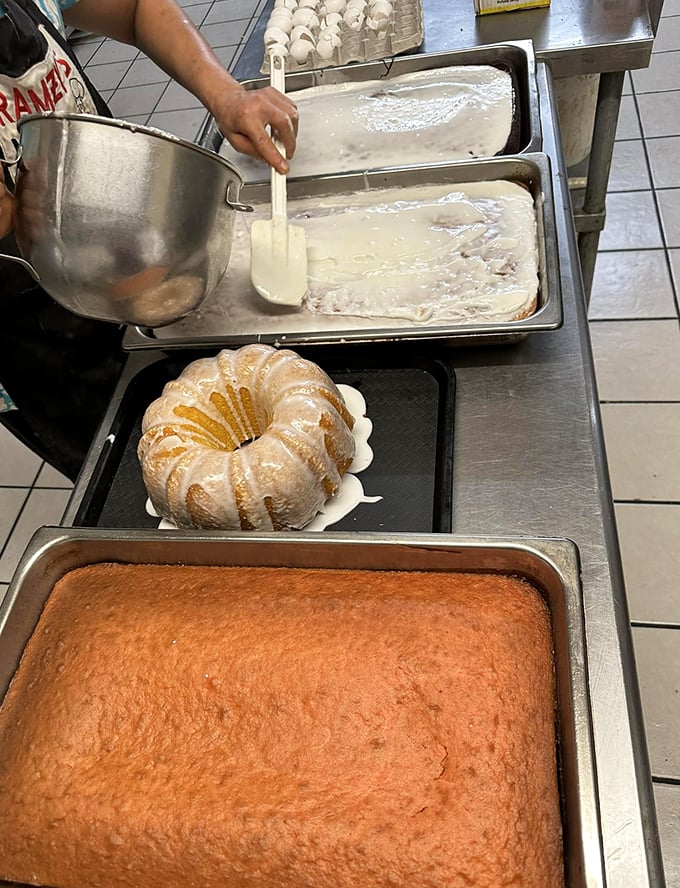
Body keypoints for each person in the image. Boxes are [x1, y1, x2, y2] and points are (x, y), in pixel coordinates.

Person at [0, 0, 298, 480]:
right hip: (40, 343)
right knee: (148, 476)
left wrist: (227, 95)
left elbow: (138, 9)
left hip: (130, 259)